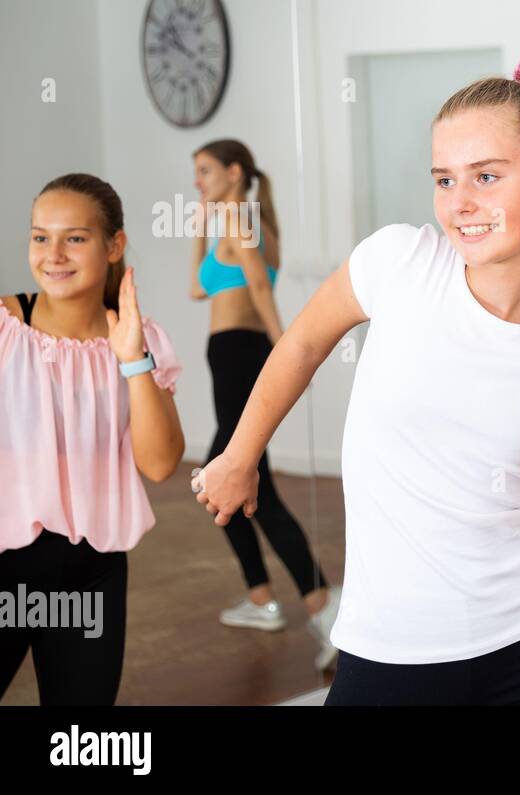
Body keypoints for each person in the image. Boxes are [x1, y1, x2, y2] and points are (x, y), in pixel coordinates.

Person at [194, 57, 520, 706]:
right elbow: (302, 343)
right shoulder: (400, 261)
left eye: (487, 176)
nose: (459, 203)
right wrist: (240, 455)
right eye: (444, 179)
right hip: (388, 654)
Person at [0, 173, 185, 704]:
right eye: (40, 237)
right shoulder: (7, 323)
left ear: (114, 245)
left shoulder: (139, 340)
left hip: (89, 574)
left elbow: (159, 464)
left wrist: (131, 360)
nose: (53, 254)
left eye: (74, 237)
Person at [190, 139, 340, 672]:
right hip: (236, 354)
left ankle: (320, 604)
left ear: (234, 173)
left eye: (205, 171)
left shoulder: (237, 216)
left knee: (239, 484)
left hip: (239, 351)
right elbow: (196, 289)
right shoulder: (249, 220)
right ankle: (267, 600)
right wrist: (200, 229)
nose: (198, 182)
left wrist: (287, 349)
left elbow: (256, 282)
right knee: (235, 482)